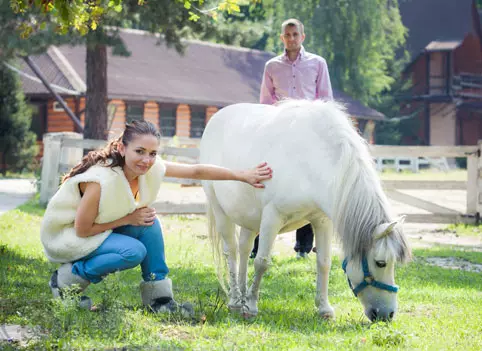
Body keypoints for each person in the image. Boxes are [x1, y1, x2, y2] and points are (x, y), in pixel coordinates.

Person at [41, 120, 273, 314]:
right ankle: (64, 283)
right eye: (139, 151)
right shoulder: (101, 180)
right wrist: (127, 219)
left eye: (152, 153)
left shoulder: (149, 168)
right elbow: (82, 230)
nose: (147, 159)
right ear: (122, 148)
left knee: (149, 224)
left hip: (100, 229)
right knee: (133, 251)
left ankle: (159, 300)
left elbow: (195, 171)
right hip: (70, 236)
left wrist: (242, 175)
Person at [252, 18, 333, 259]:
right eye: (287, 35)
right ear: (282, 38)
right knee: (267, 183)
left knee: (308, 185)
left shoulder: (318, 63)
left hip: (308, 133)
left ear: (302, 37)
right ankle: (257, 247)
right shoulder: (272, 66)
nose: (291, 39)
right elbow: (265, 103)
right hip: (278, 132)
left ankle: (303, 249)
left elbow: (325, 99)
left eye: (295, 34)